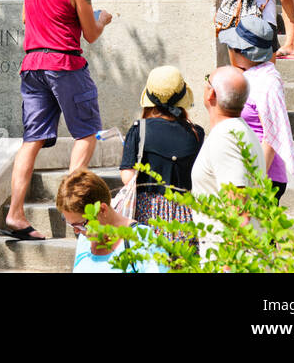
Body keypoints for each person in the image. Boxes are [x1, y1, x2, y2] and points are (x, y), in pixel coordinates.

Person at [1, 0, 110, 241]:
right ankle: (73, 211)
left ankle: (15, 214)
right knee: (87, 134)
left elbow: (26, 17)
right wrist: (102, 19)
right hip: (65, 63)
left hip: (33, 64)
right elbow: (90, 34)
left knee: (31, 141)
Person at [219, 15, 294, 201]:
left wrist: (254, 183)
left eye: (231, 46)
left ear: (241, 52)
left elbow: (271, 136)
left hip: (263, 175)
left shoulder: (266, 82)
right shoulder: (253, 76)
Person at [119, 65, 204, 235]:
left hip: (148, 214)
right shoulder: (196, 133)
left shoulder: (139, 129)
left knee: (149, 251)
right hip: (186, 214)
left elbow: (127, 177)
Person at [190, 66, 266, 258]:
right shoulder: (238, 130)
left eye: (207, 80)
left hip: (229, 258)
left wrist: (227, 265)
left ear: (211, 94)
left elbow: (238, 210)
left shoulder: (226, 136)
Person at [56, 169, 165, 273]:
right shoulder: (84, 239)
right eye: (70, 224)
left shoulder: (142, 239)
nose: (76, 231)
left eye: (81, 224)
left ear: (102, 210)